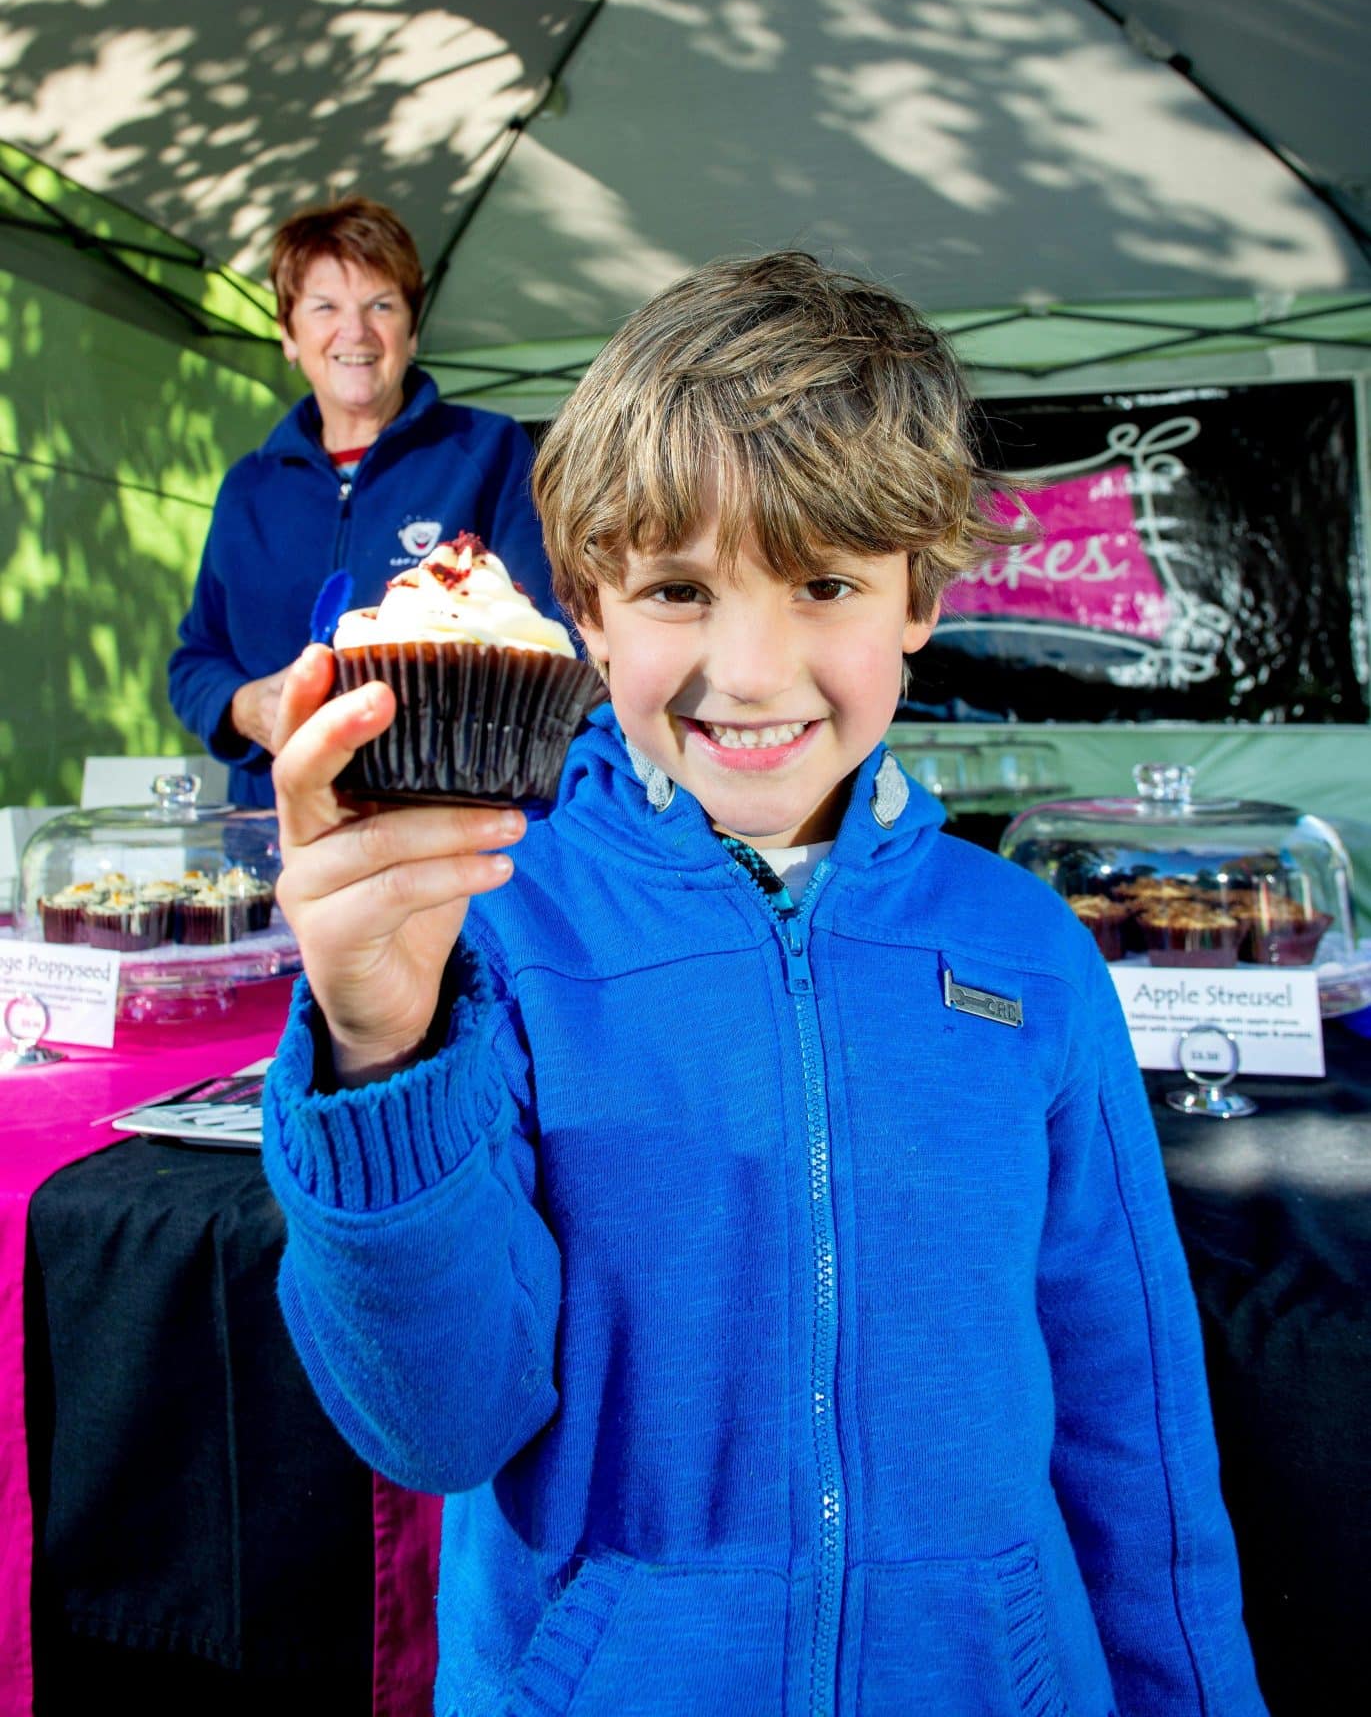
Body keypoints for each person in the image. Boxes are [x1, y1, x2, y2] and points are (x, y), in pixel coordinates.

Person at [261, 253, 1267, 1716]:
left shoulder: (1026, 948)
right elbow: (437, 1426)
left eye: (824, 583)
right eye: (678, 589)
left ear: (919, 596)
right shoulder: (487, 932)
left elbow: (1134, 1417)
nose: (748, 668)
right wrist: (378, 1045)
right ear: (587, 612)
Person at [168, 195, 557, 805]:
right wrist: (243, 705)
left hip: (438, 819)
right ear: (288, 334)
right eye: (325, 307)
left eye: (381, 305)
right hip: (273, 824)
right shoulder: (248, 487)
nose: (355, 331)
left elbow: (554, 634)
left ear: (412, 330)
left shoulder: (487, 451)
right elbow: (195, 659)